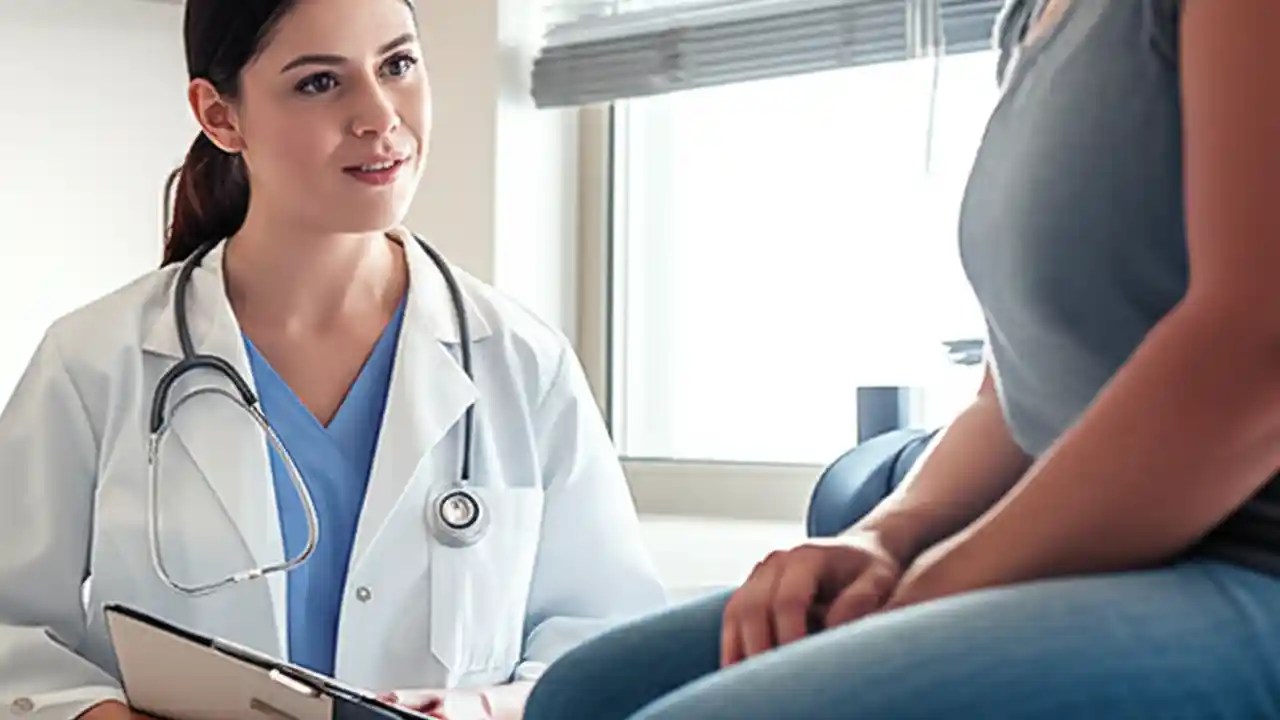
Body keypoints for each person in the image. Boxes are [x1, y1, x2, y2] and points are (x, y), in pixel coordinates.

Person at [521, 0, 1280, 717]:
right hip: (1112, 563)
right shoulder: (1034, 19)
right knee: (585, 696)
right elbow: (1014, 396)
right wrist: (887, 535)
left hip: (1252, 563)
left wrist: (943, 581)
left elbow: (1255, 354)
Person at [0, 1, 667, 718]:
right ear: (221, 116)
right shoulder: (95, 363)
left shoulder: (522, 364)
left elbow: (606, 648)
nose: (379, 116)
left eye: (398, 65)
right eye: (320, 82)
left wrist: (481, 709)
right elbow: (12, 635)